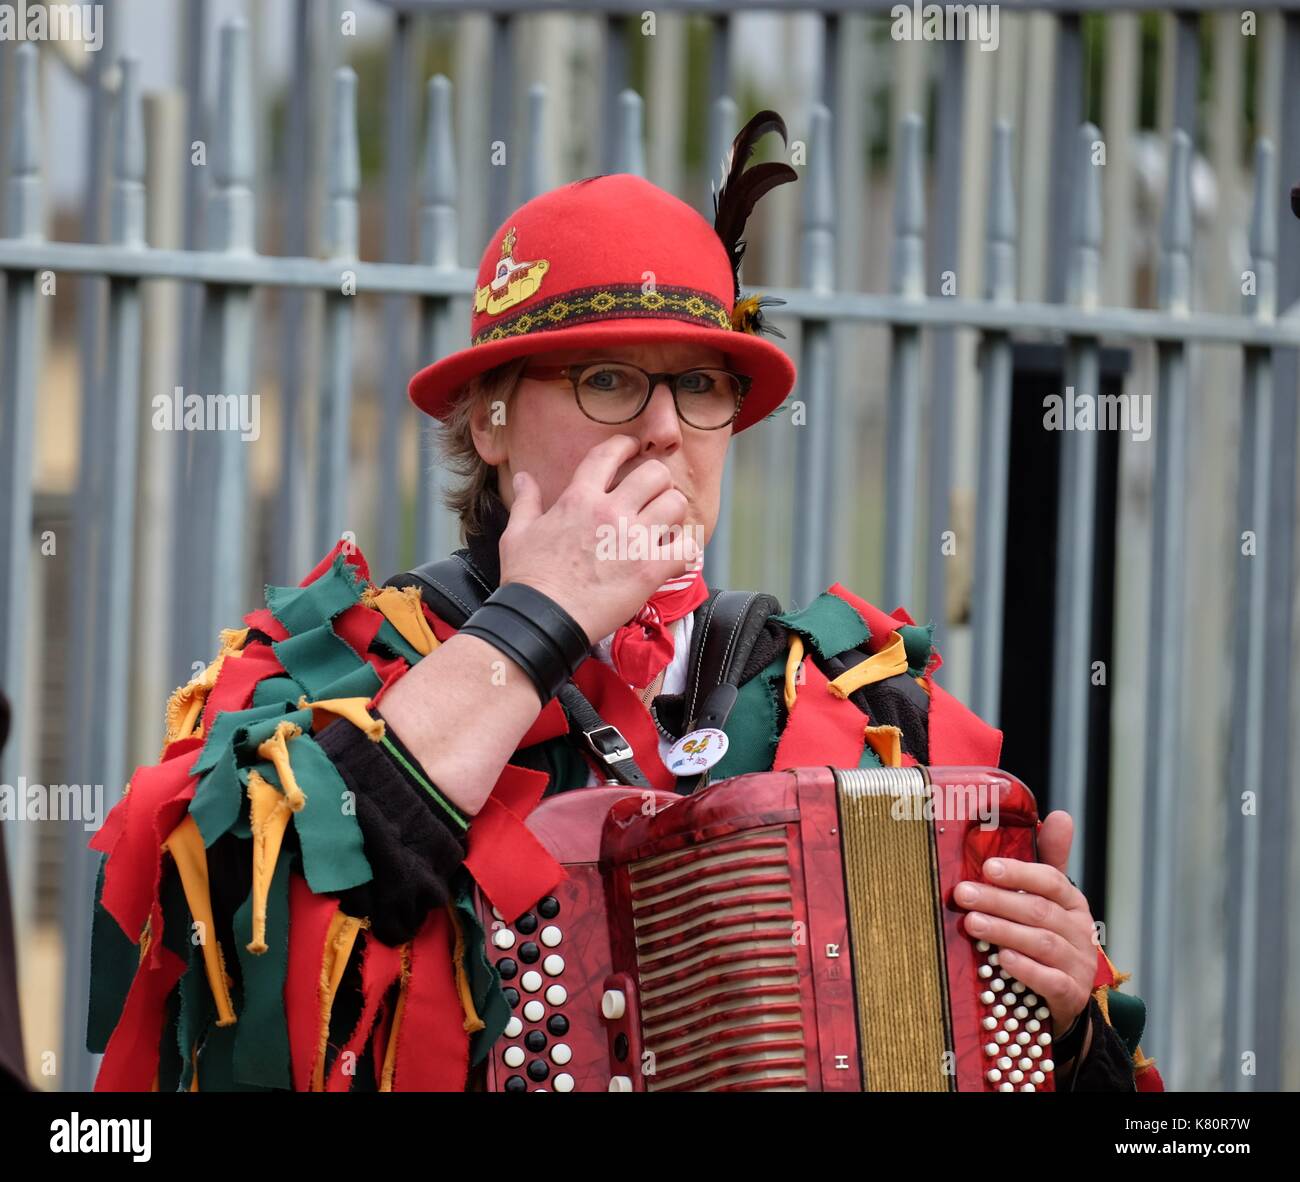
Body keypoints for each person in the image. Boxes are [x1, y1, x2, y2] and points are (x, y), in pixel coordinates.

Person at [85, 112, 1162, 1093]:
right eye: (609, 380)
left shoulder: (872, 710)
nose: (663, 429)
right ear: (492, 420)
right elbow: (228, 982)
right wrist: (541, 610)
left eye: (699, 385)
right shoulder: (337, 671)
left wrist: (1072, 1032)